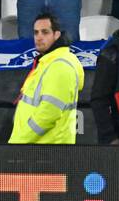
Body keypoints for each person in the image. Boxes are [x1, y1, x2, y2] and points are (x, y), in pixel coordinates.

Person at [9, 14, 84, 145]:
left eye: (45, 32)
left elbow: (49, 113)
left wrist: (19, 141)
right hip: (37, 147)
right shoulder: (47, 62)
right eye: (36, 32)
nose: (39, 37)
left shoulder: (60, 66)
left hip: (47, 150)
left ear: (56, 35)